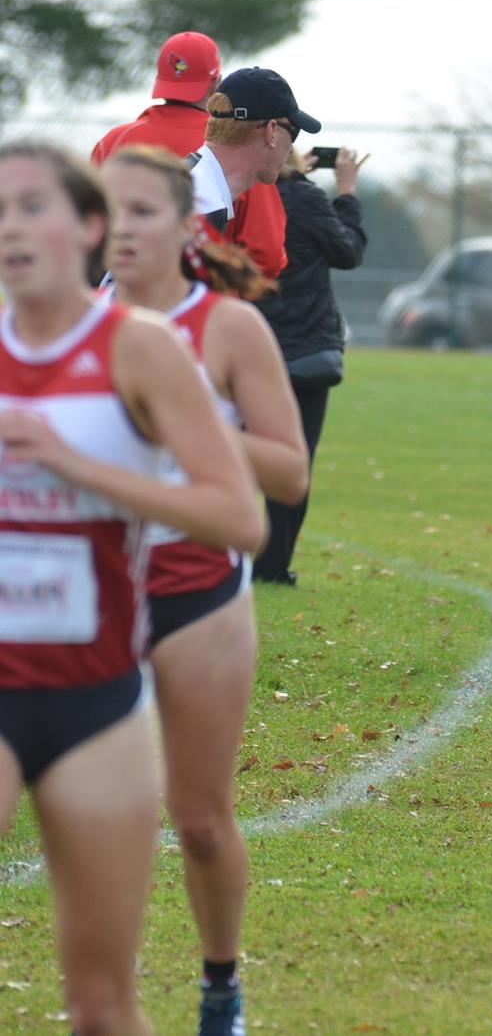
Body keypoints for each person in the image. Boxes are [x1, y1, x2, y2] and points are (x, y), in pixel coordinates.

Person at [0, 140, 262, 1036]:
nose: (12, 226)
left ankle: (220, 982)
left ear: (85, 227)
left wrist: (82, 468)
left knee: (103, 1007)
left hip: (97, 700)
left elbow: (245, 515)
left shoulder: (144, 350)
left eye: (33, 205)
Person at [102, 143, 309, 1035]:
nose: (120, 231)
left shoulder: (225, 327)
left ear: (188, 225)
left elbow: (289, 472)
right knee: (91, 815)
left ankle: (220, 984)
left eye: (142, 212)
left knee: (198, 820)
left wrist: (181, 419)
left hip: (198, 592)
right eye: (106, 212)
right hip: (88, 598)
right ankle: (104, 997)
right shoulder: (65, 324)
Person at [252, 145, 370, 586]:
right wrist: (347, 190)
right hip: (302, 349)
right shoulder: (302, 197)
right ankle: (274, 565)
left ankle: (226, 551)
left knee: (235, 450)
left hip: (249, 342)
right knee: (294, 457)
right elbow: (348, 250)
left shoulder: (241, 193)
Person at [91, 34, 293, 280]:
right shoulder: (234, 143)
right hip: (199, 301)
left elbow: (90, 232)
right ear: (216, 84)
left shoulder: (113, 141)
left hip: (116, 294)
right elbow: (266, 254)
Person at [191, 67, 321, 268]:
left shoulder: (197, 186)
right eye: (293, 132)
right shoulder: (203, 202)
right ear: (272, 131)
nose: (291, 149)